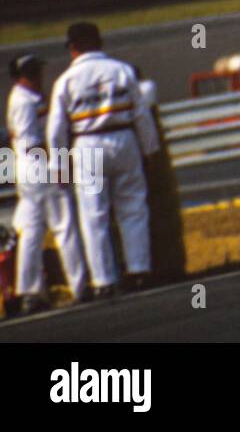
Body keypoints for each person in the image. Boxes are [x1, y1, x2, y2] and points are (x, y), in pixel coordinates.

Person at [46, 23, 160, 297]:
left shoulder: (66, 81)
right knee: (133, 208)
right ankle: (139, 270)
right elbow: (142, 115)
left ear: (73, 48)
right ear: (100, 42)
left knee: (94, 215)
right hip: (124, 139)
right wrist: (150, 151)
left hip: (88, 144)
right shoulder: (121, 70)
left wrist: (59, 166)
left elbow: (56, 130)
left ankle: (104, 280)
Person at [6, 54, 89, 313]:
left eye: (37, 72)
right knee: (64, 225)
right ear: (20, 77)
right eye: (31, 74)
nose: (37, 77)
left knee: (31, 232)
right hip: (39, 164)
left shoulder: (24, 98)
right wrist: (60, 160)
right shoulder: (23, 101)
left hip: (27, 169)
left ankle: (29, 291)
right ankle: (80, 285)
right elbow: (33, 142)